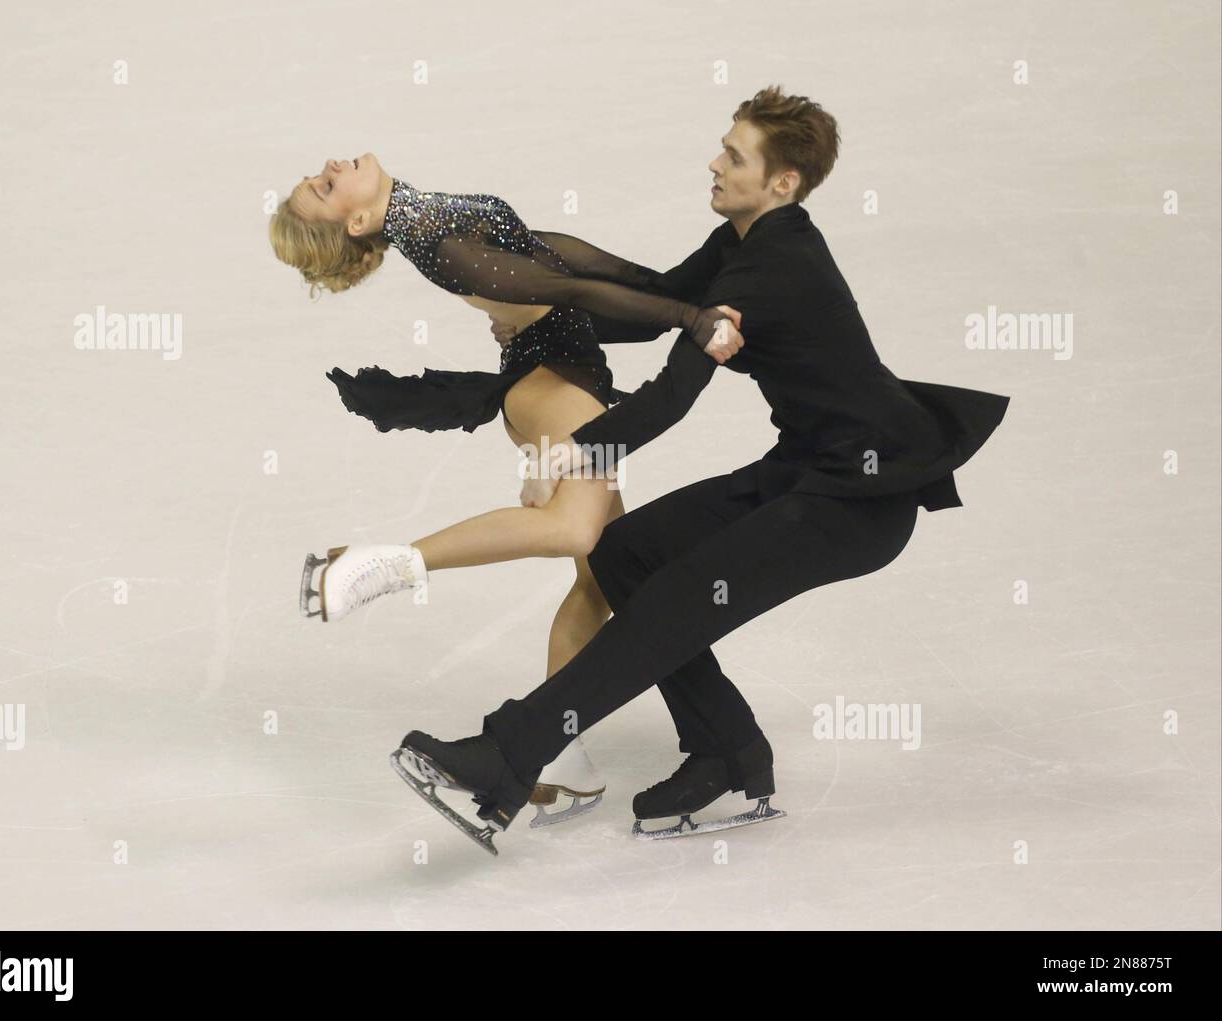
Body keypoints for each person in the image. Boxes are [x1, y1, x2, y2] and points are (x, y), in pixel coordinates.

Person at [388, 86, 1012, 856]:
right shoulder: (746, 243)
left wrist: (572, 452)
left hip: (858, 498)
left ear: (783, 181)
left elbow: (672, 396)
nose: (714, 162)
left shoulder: (773, 267)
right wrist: (526, 300)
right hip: (805, 469)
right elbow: (657, 300)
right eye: (724, 145)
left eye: (735, 155)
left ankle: (508, 754)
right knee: (626, 554)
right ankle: (727, 752)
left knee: (680, 596)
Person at [269, 156, 743, 825]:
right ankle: (381, 567)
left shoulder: (421, 209)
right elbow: (569, 290)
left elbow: (552, 255)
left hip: (568, 369)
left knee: (607, 570)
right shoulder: (432, 239)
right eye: (323, 187)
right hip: (552, 379)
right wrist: (687, 316)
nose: (326, 168)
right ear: (353, 219)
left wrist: (670, 294)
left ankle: (562, 756)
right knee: (577, 529)